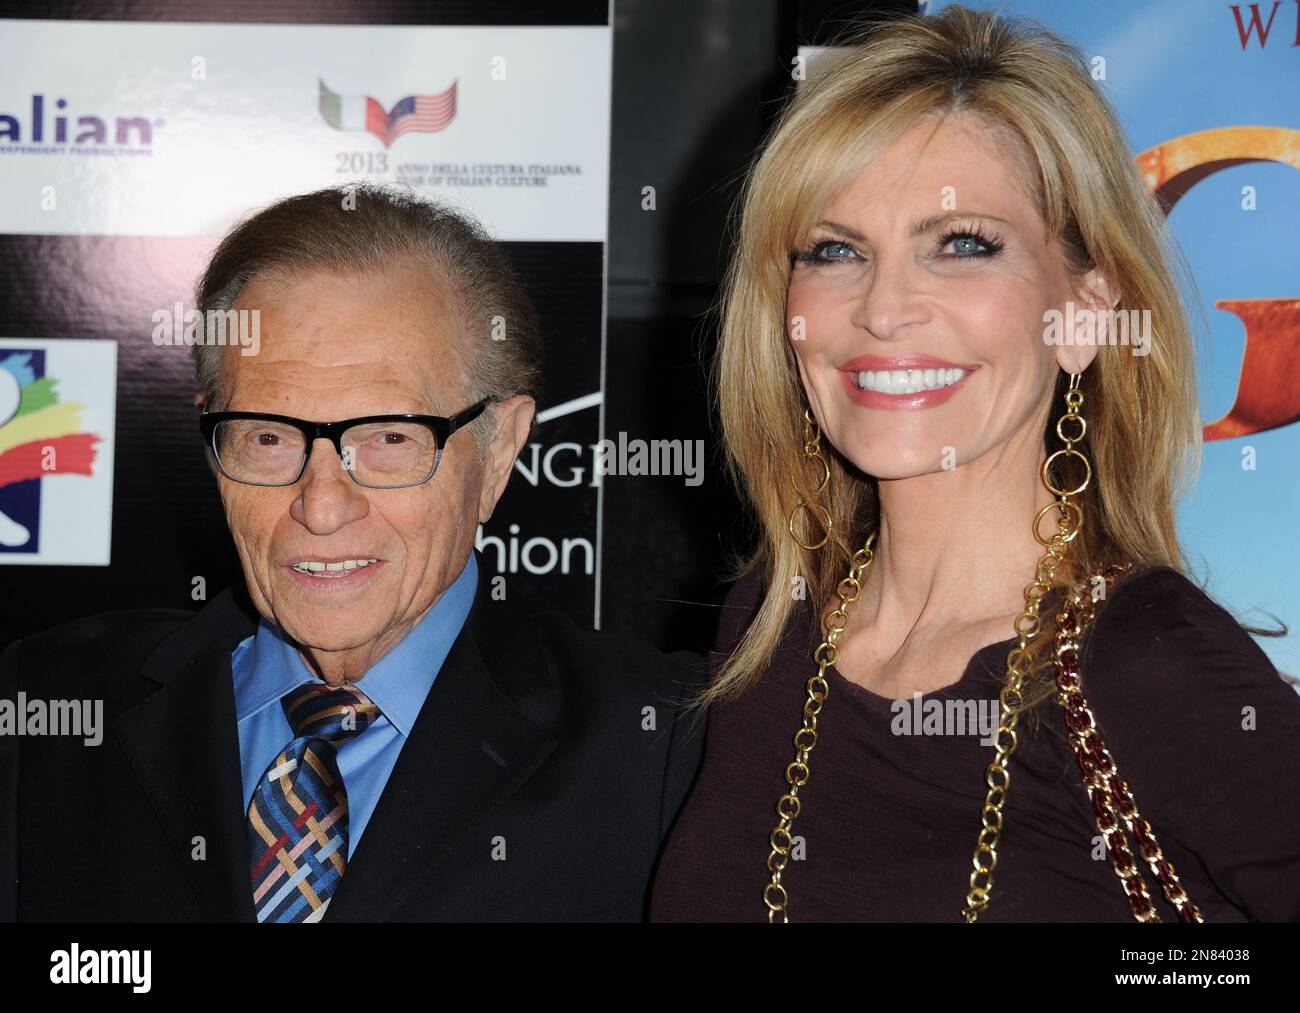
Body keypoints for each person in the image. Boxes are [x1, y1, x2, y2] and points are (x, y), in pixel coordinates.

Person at [649, 6, 1300, 922]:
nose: (883, 308)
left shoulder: (1146, 661)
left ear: (1082, 314)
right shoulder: (769, 626)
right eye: (835, 251)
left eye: (962, 246)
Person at [0, 183, 706, 922]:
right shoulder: (50, 709)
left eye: (391, 439)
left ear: (498, 450)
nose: (322, 506)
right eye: (268, 438)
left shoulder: (663, 755)